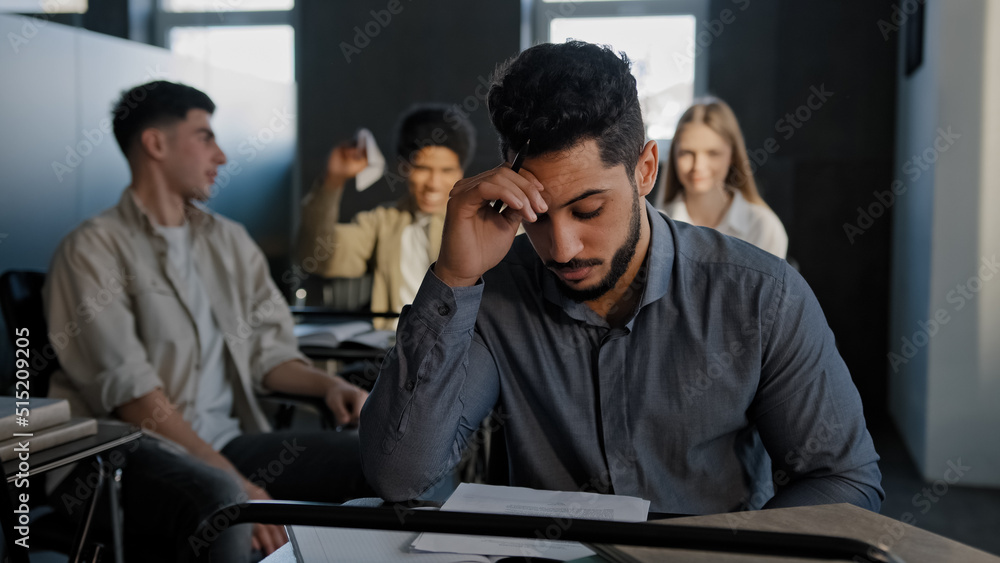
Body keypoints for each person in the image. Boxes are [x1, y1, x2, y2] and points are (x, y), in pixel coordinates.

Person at [359, 41, 883, 515]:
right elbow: (401, 477)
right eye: (537, 214)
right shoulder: (493, 296)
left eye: (588, 210)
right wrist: (452, 277)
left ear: (646, 170)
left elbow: (842, 479)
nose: (561, 248)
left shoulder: (762, 297)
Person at [43, 81, 371, 562]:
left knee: (382, 458)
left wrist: (326, 387)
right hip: (124, 454)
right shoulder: (91, 250)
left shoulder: (230, 242)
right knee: (221, 499)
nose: (220, 155)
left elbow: (268, 355)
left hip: (225, 443)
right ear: (156, 143)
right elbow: (134, 399)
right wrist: (241, 486)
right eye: (205, 137)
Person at [295, 105, 476, 326]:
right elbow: (316, 257)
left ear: (461, 172)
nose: (434, 184)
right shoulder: (382, 223)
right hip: (390, 351)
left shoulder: (481, 222)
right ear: (403, 167)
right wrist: (333, 182)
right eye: (422, 168)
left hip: (459, 351)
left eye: (447, 171)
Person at [657, 98, 789, 258]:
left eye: (713, 153)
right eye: (687, 153)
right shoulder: (657, 226)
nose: (698, 166)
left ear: (732, 155)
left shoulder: (763, 227)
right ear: (674, 156)